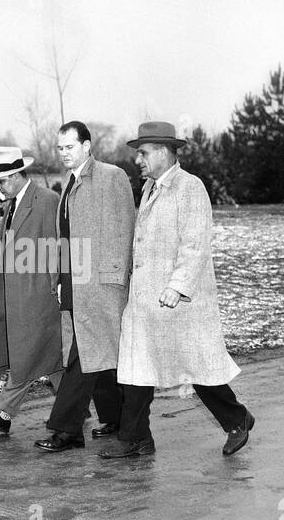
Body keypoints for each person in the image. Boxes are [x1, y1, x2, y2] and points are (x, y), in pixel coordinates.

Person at [102, 121, 254, 459]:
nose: (138, 160)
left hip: (179, 300)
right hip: (145, 299)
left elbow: (195, 244)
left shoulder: (190, 187)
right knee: (136, 367)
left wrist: (177, 287)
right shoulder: (150, 188)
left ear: (162, 152)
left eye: (142, 153)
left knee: (196, 365)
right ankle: (135, 438)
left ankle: (236, 418)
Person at [35, 121, 135, 452]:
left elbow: (126, 229)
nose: (64, 153)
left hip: (101, 285)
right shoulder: (69, 182)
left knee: (82, 353)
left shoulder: (111, 176)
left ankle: (67, 429)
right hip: (75, 283)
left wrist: (118, 276)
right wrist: (59, 279)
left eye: (70, 147)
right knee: (98, 350)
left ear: (87, 146)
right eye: (60, 148)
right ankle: (117, 417)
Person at [0, 147, 63, 434]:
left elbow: (62, 245)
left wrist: (57, 286)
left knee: (27, 355)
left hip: (39, 296)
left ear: (16, 174)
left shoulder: (47, 200)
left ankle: (2, 412)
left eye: (1, 181)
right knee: (54, 359)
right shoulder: (13, 204)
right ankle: (74, 408)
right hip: (16, 296)